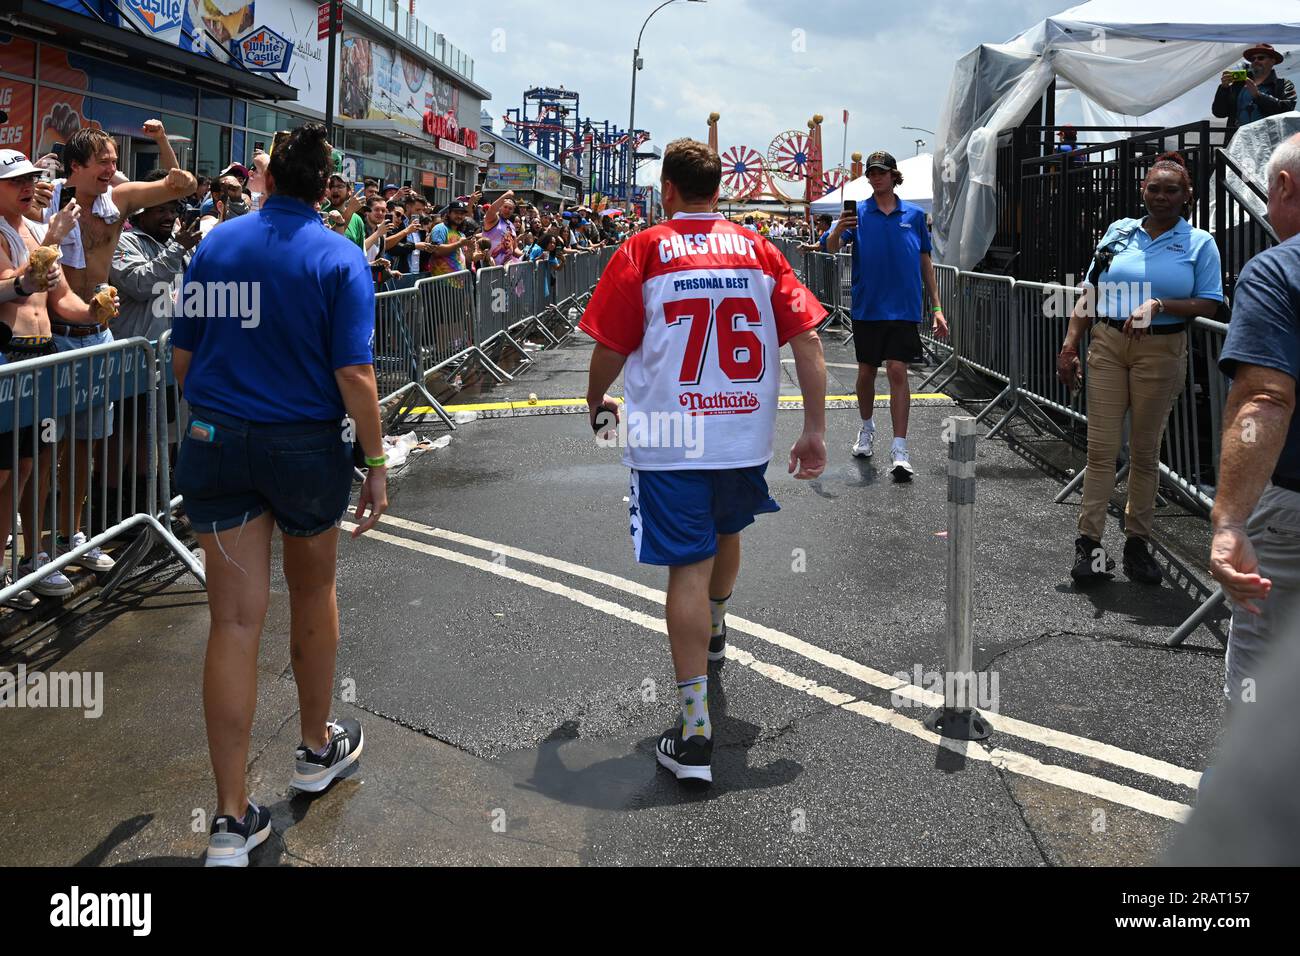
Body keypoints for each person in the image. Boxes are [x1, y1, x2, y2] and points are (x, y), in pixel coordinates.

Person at [171, 123, 388, 867]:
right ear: (326, 187)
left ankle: (229, 820)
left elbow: (182, 356)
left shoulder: (219, 244)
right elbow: (355, 375)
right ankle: (314, 748)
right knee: (312, 588)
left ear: (266, 180)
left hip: (216, 436)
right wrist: (379, 458)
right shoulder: (340, 256)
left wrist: (218, 417)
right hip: (302, 444)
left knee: (232, 623)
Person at [581, 138, 828, 785]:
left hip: (669, 438)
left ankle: (694, 732)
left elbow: (610, 344)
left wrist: (595, 400)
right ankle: (717, 627)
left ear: (667, 188)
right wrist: (816, 429)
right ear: (720, 188)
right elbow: (808, 340)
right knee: (728, 535)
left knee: (686, 569)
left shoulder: (644, 249)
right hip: (740, 437)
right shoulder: (759, 249)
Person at [1056, 153, 1223, 586]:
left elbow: (1210, 302)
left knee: (1145, 454)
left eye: (1172, 190)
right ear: (1142, 191)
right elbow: (1089, 291)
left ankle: (1137, 544)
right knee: (1101, 451)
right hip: (1108, 345)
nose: (1162, 197)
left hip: (1161, 349)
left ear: (1187, 195)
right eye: (1154, 188)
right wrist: (1070, 344)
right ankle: (1088, 547)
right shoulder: (1119, 231)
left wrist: (1161, 305)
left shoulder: (1200, 243)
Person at [1209, 134, 1300, 714]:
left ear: (1286, 186)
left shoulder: (1276, 270)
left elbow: (1264, 401)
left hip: (1291, 513)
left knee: (1262, 696)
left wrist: (1229, 520)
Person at [0, 149, 109, 605]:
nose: (27, 187)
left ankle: (10, 574)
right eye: (14, 181)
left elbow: (60, 299)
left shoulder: (31, 229)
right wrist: (52, 238)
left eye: (29, 178)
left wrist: (93, 313)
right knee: (2, 472)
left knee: (24, 468)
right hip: (8, 361)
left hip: (39, 360)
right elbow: (10, 286)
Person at [825, 150, 947, 478]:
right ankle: (867, 428)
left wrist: (936, 307)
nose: (875, 177)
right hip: (868, 306)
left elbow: (925, 260)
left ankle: (900, 448)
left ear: (893, 174)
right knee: (866, 373)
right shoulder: (859, 213)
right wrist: (838, 228)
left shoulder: (915, 215)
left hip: (904, 307)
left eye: (881, 171)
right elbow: (832, 248)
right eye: (871, 173)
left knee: (897, 371)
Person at [1212, 44, 1297, 139]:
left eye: (1261, 58)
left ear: (1273, 61)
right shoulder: (1238, 85)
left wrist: (1258, 96)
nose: (1256, 61)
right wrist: (1224, 88)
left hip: (1269, 145)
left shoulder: (1284, 84)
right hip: (1237, 144)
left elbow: (1286, 111)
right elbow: (1219, 113)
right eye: (1252, 59)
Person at [427, 200, 473, 276]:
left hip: (459, 282)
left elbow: (467, 260)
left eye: (462, 214)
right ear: (448, 213)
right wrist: (459, 244)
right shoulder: (440, 228)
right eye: (456, 213)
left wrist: (471, 248)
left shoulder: (461, 234)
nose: (459, 216)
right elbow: (436, 251)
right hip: (442, 283)